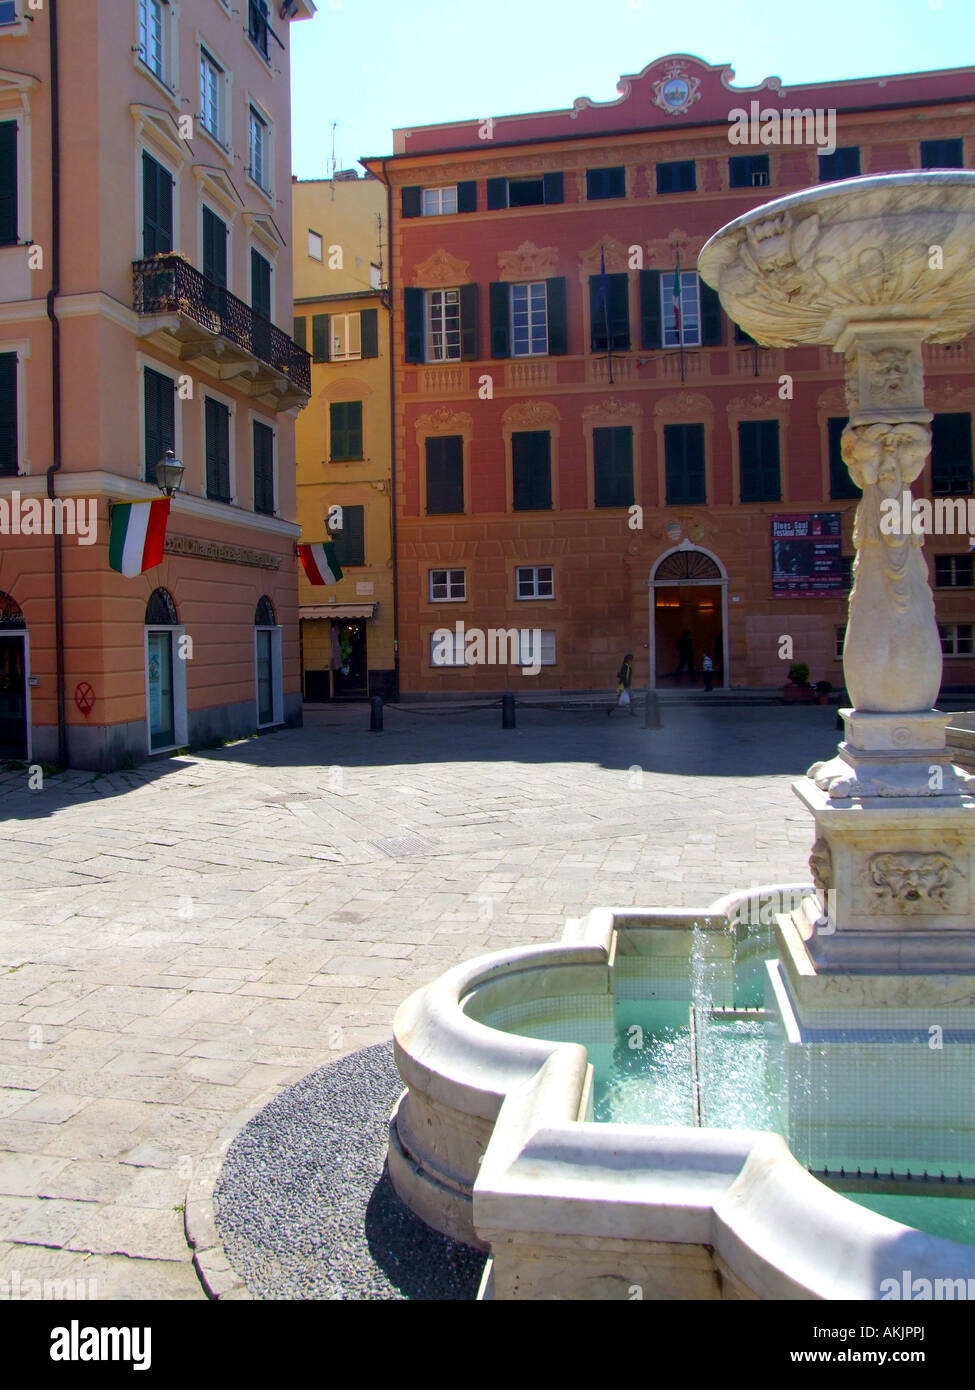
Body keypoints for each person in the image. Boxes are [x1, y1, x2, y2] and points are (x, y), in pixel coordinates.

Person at [608, 652, 635, 717]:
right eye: (631, 660)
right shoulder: (625, 666)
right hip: (624, 686)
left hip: (626, 685)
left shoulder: (626, 666)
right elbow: (623, 676)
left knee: (632, 698)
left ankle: (632, 712)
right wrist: (626, 686)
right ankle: (610, 710)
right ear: (628, 660)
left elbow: (623, 676)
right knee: (621, 701)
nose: (632, 661)